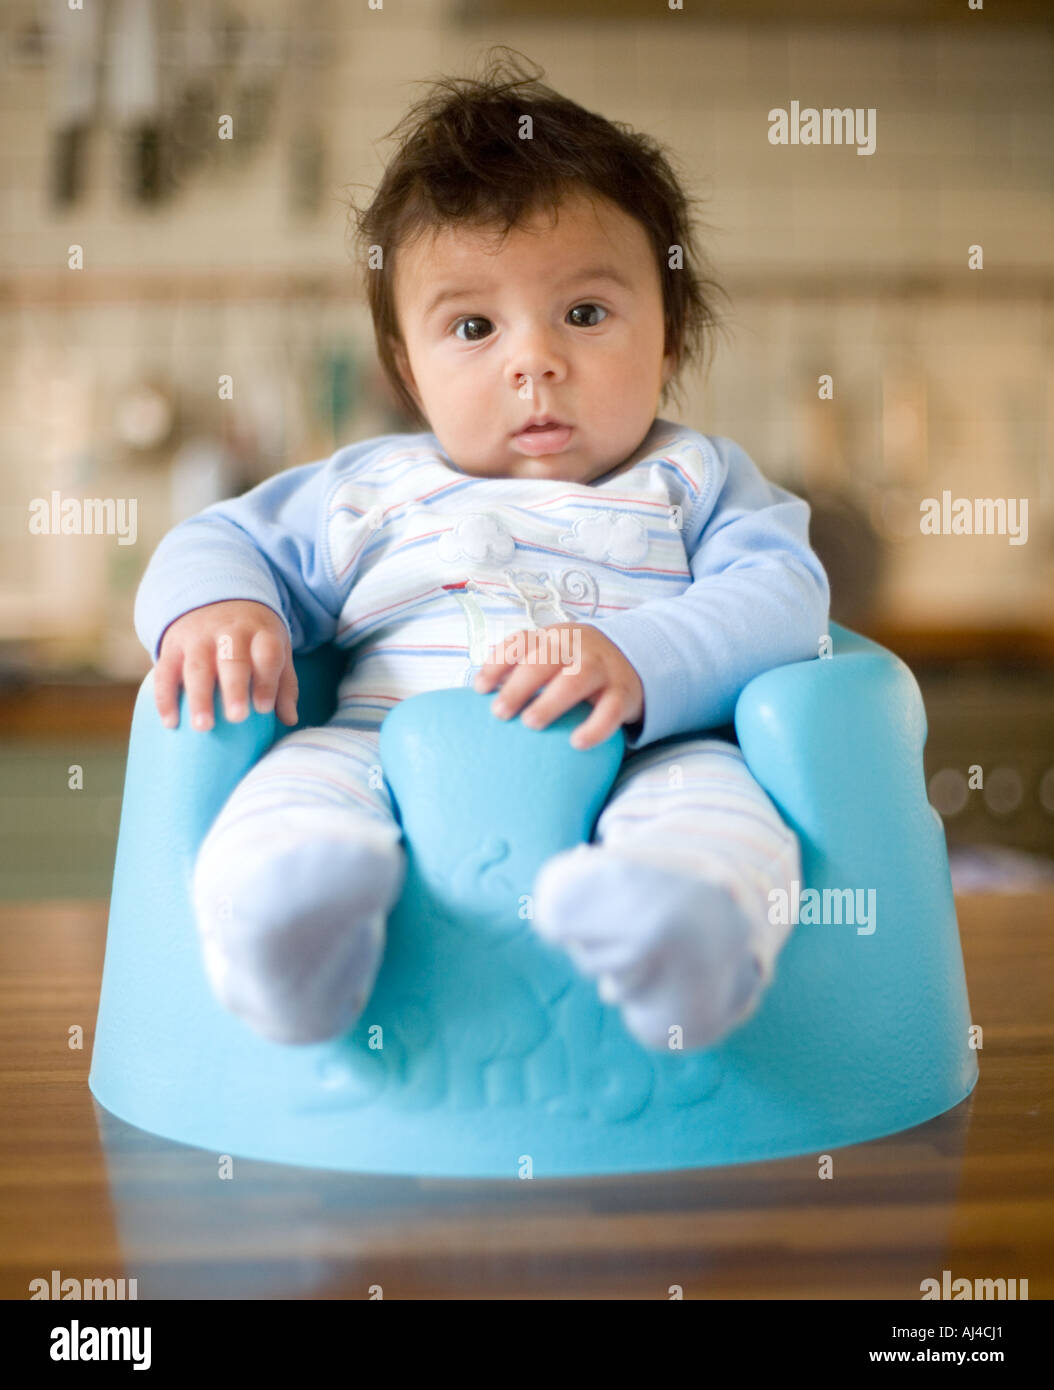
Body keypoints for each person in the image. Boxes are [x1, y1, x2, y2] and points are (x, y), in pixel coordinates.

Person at [134, 49, 830, 1052]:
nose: (533, 360)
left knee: (721, 813)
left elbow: (783, 598)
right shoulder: (367, 486)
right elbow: (218, 537)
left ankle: (682, 946)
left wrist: (643, 661)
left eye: (585, 314)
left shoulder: (698, 478)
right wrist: (221, 608)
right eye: (471, 326)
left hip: (642, 754)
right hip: (382, 745)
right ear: (408, 372)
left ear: (669, 337)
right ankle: (296, 937)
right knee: (287, 792)